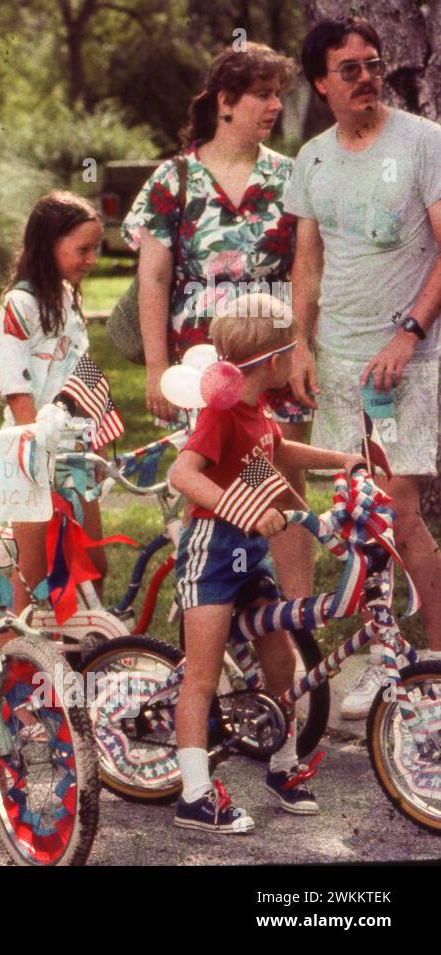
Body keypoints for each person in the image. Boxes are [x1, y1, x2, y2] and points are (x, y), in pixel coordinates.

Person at [285, 17, 441, 720]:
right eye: (347, 68)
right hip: (342, 359)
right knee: (359, 519)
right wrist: (299, 345)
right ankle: (385, 658)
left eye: (373, 64)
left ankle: (433, 669)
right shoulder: (312, 158)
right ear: (320, 82)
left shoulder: (423, 143)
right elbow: (308, 261)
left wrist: (409, 333)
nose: (366, 78)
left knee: (398, 514)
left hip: (408, 359)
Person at [123, 43, 317, 605]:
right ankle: (215, 611)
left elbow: (306, 271)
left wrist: (301, 347)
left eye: (279, 93)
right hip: (201, 363)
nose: (275, 105)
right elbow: (154, 279)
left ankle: (296, 613)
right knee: (213, 481)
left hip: (276, 353)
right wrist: (157, 368)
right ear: (226, 102)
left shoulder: (290, 176)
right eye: (263, 94)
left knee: (282, 477)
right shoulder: (173, 178)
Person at [167, 293, 362, 833]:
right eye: (294, 350)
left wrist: (341, 460)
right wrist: (246, 513)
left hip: (249, 549)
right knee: (201, 676)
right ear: (276, 361)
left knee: (280, 663)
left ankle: (282, 764)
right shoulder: (220, 413)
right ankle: (194, 794)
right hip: (213, 549)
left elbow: (277, 453)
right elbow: (183, 475)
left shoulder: (257, 412)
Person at [0, 191, 108, 611]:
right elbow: (16, 388)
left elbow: (79, 370)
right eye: (83, 249)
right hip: (31, 452)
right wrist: (39, 449)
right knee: (33, 576)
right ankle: (15, 662)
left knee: (93, 563)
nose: (91, 259)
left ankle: (89, 651)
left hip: (75, 448)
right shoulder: (19, 304)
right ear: (49, 243)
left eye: (95, 248)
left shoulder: (68, 297)